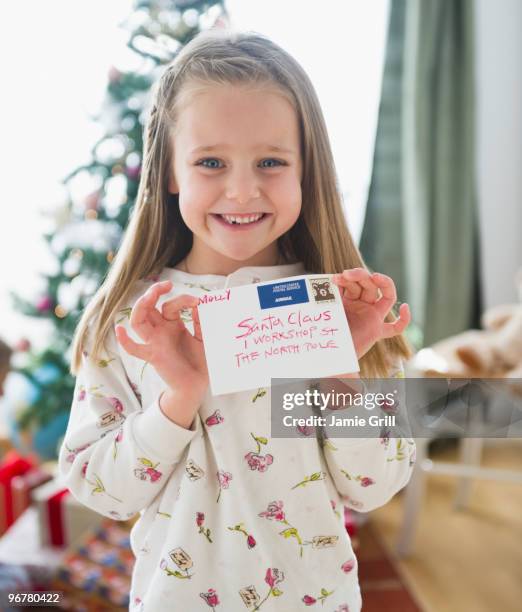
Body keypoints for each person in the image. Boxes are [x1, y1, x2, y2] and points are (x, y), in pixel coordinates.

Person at [59, 29, 416, 612]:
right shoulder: (129, 319)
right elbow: (103, 489)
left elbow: (373, 485)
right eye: (211, 162)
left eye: (271, 161)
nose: (243, 189)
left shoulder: (339, 310)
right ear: (170, 171)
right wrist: (181, 395)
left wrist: (340, 373)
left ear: (307, 171)